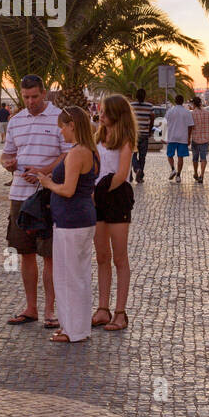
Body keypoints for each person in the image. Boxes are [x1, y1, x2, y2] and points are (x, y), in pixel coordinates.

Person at [1, 74, 68, 330]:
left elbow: (68, 153)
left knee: (49, 255)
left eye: (35, 96)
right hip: (19, 196)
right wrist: (8, 164)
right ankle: (31, 308)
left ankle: (51, 310)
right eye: (26, 97)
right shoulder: (16, 121)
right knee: (25, 253)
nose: (30, 102)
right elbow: (7, 155)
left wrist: (44, 172)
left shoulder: (60, 118)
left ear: (45, 93)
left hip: (49, 197)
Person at [26, 106, 98, 344]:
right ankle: (78, 327)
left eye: (62, 127)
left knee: (68, 276)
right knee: (79, 275)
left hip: (71, 220)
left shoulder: (78, 152)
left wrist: (47, 183)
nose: (61, 133)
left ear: (72, 125)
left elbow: (68, 189)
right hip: (80, 219)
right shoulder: (91, 150)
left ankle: (72, 330)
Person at [91, 94, 135, 332]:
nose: (101, 114)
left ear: (116, 114)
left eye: (105, 111)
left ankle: (120, 312)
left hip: (116, 197)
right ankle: (102, 308)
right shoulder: (98, 137)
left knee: (119, 257)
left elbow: (121, 173)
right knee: (101, 256)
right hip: (97, 197)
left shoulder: (126, 140)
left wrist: (100, 191)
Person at [163, 94, 194, 183]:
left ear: (175, 101)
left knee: (170, 155)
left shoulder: (170, 111)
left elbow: (165, 124)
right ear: (182, 101)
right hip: (183, 138)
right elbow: (190, 126)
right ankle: (178, 175)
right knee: (180, 157)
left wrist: (163, 136)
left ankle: (173, 169)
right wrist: (188, 138)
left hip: (171, 137)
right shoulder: (187, 112)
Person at [130, 88, 155, 183]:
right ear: (145, 96)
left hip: (134, 134)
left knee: (133, 154)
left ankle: (137, 169)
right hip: (144, 134)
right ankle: (139, 176)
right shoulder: (149, 106)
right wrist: (149, 130)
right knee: (142, 156)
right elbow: (152, 118)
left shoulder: (132, 106)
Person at [189, 97, 209, 184]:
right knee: (203, 158)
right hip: (205, 139)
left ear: (194, 104)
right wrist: (207, 132)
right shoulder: (207, 113)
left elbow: (190, 127)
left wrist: (189, 137)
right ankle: (202, 175)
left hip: (195, 139)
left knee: (195, 158)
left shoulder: (192, 114)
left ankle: (195, 173)